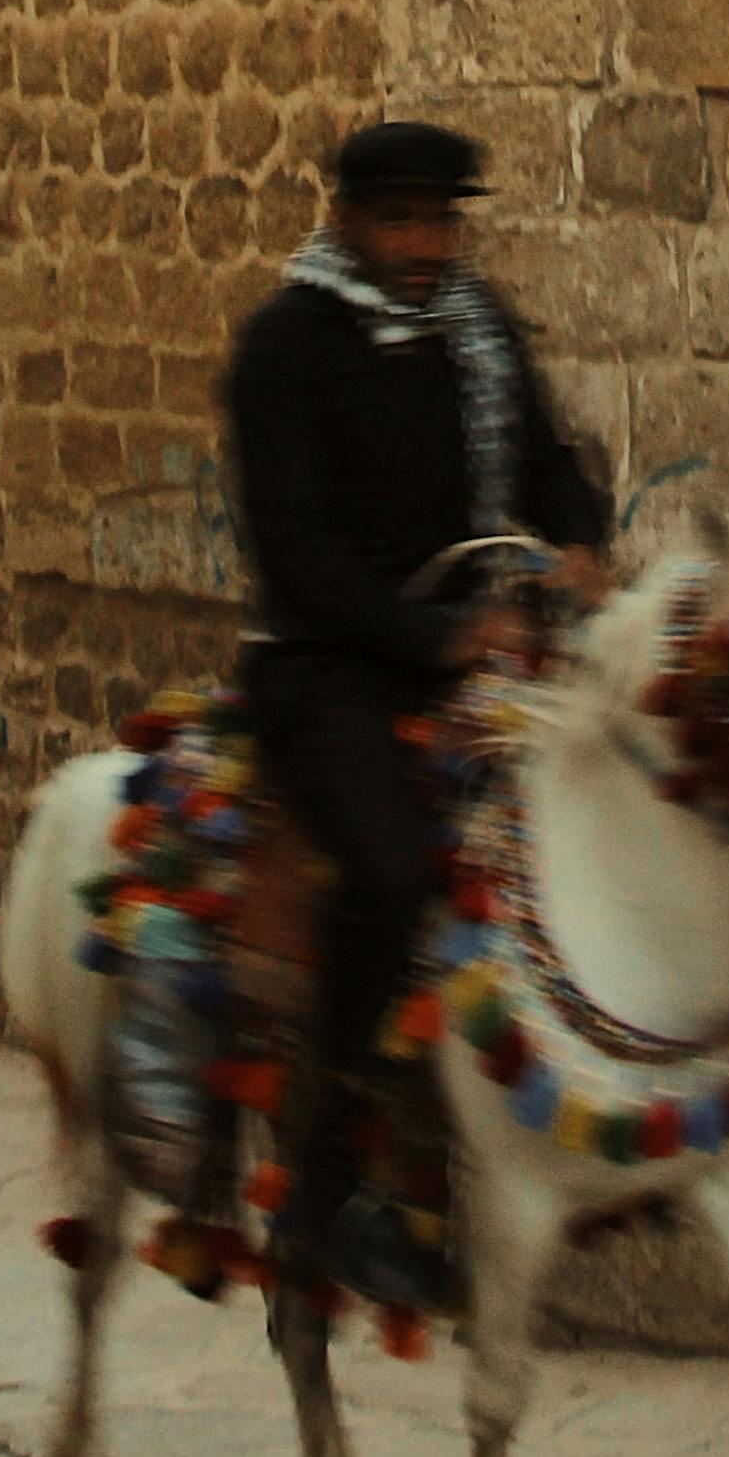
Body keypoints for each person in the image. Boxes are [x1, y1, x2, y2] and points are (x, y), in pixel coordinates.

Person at [222, 117, 611, 1313]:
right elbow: (296, 559)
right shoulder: (284, 345)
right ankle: (334, 1189)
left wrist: (580, 537)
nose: (421, 243)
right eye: (398, 219)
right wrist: (442, 635)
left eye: (438, 220)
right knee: (395, 873)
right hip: (329, 671)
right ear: (344, 219)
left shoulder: (478, 328)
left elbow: (547, 459)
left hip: (476, 668)